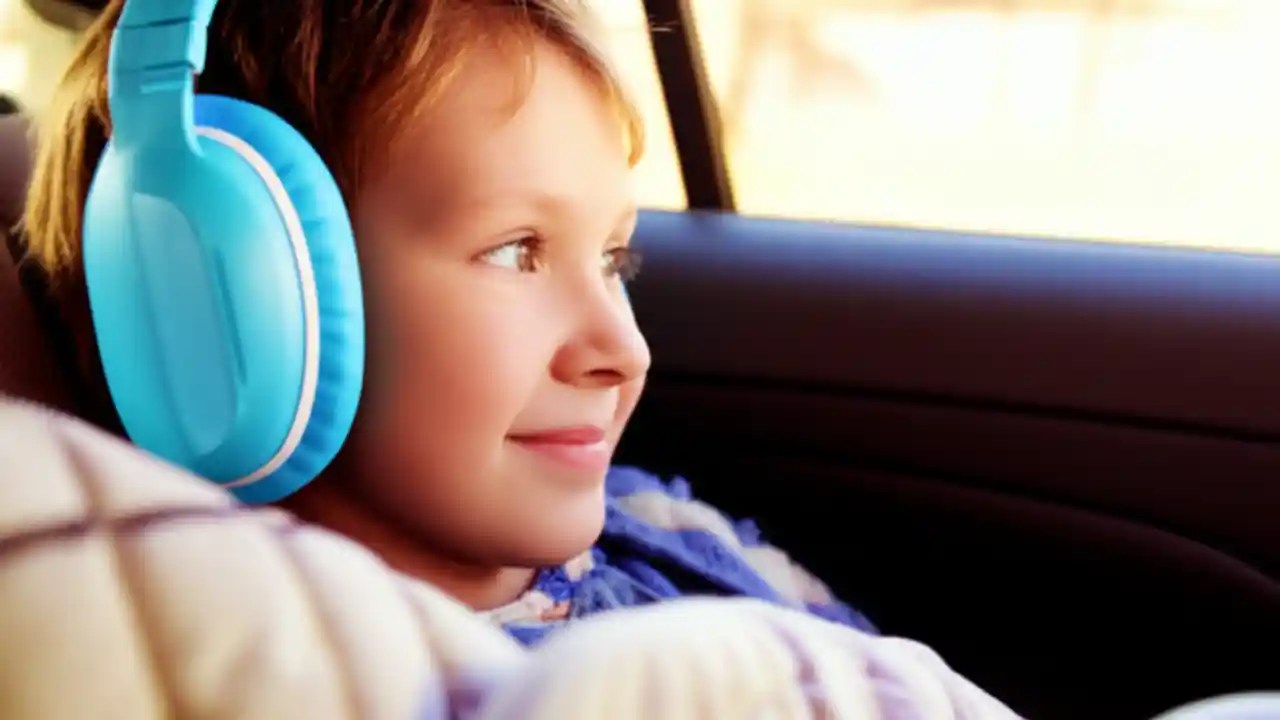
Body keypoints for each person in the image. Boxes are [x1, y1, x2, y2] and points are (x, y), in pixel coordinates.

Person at [20, 0, 870, 646]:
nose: (624, 351)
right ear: (216, 303)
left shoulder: (669, 531)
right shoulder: (259, 670)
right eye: (515, 251)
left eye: (616, 261)